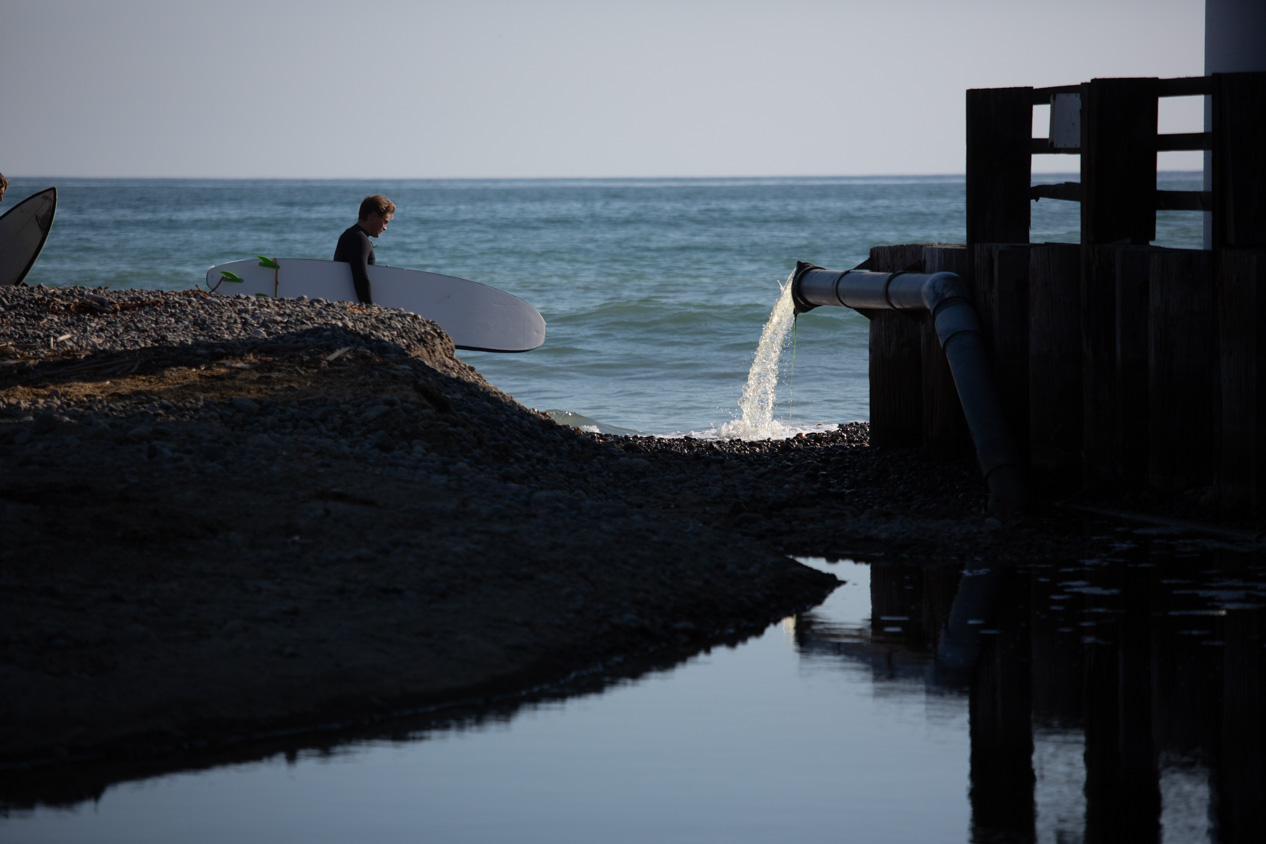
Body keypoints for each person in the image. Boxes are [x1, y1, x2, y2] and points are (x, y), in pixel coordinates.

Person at [334, 194, 395, 304]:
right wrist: (369, 309)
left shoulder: (351, 234)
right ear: (374, 216)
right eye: (385, 222)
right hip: (352, 305)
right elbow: (361, 278)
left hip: (344, 303)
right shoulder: (358, 239)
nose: (385, 228)